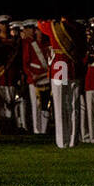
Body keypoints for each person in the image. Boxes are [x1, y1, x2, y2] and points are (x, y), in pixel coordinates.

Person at [36, 16, 83, 148]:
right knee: (74, 106)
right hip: (74, 69)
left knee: (61, 106)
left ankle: (63, 141)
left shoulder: (54, 27)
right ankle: (74, 140)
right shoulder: (78, 27)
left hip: (60, 68)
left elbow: (40, 24)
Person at [20, 20, 52, 135]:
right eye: (37, 30)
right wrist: (32, 77)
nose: (38, 32)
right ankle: (37, 130)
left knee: (46, 105)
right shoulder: (30, 44)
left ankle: (44, 129)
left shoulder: (47, 45)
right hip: (35, 79)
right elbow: (25, 63)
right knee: (36, 105)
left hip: (46, 78)